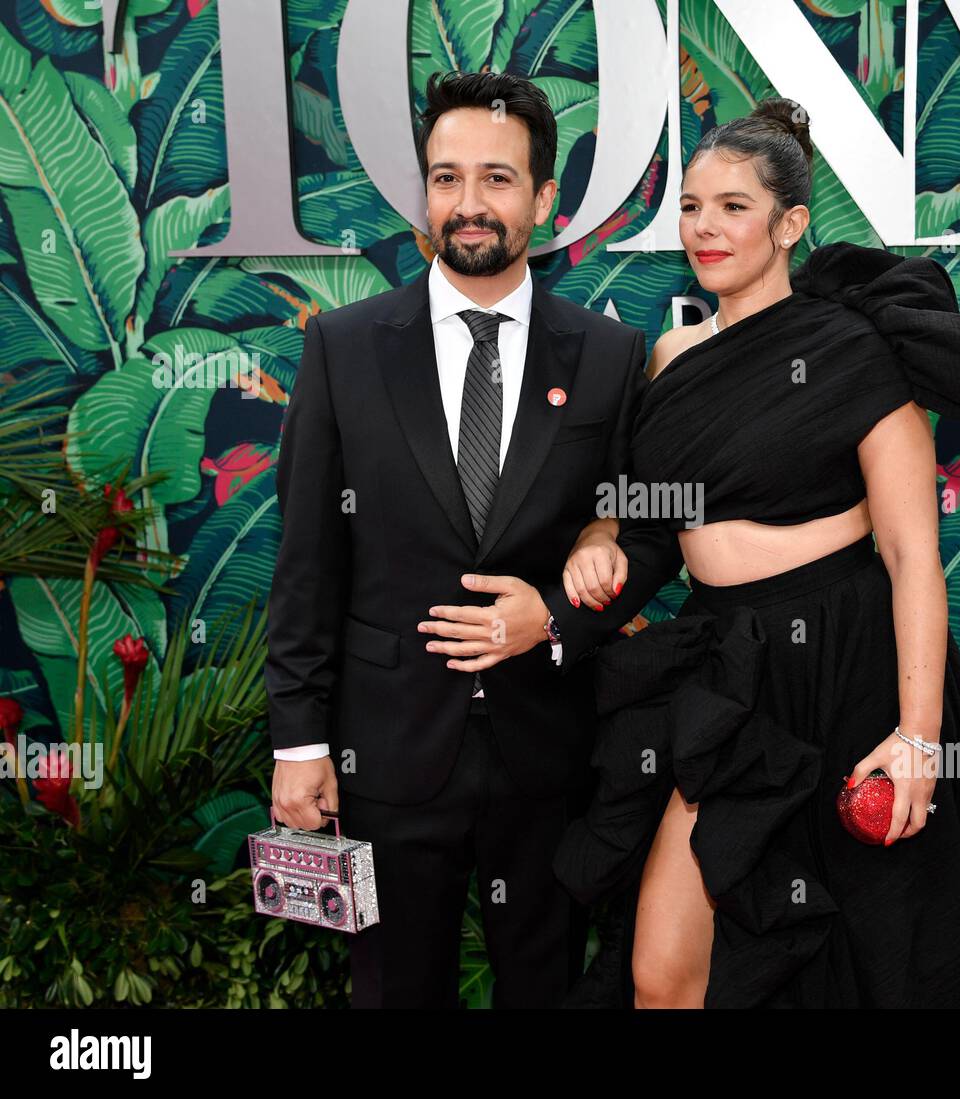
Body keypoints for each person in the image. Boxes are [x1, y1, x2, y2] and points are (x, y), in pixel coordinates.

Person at [550, 98, 960, 1008]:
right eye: (690, 206)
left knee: (872, 962)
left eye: (732, 206)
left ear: (791, 223)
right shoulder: (671, 357)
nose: (704, 228)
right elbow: (649, 518)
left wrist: (919, 738)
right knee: (663, 973)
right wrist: (600, 540)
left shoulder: (856, 349)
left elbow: (914, 555)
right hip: (724, 670)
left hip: (847, 664)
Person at [265, 71, 683, 1008]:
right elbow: (306, 561)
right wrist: (298, 740)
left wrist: (561, 621)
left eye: (497, 178)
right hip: (386, 754)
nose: (468, 203)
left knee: (545, 988)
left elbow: (651, 534)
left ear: (543, 198)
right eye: (446, 177)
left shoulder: (609, 356)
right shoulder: (344, 346)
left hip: (551, 754)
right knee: (392, 991)